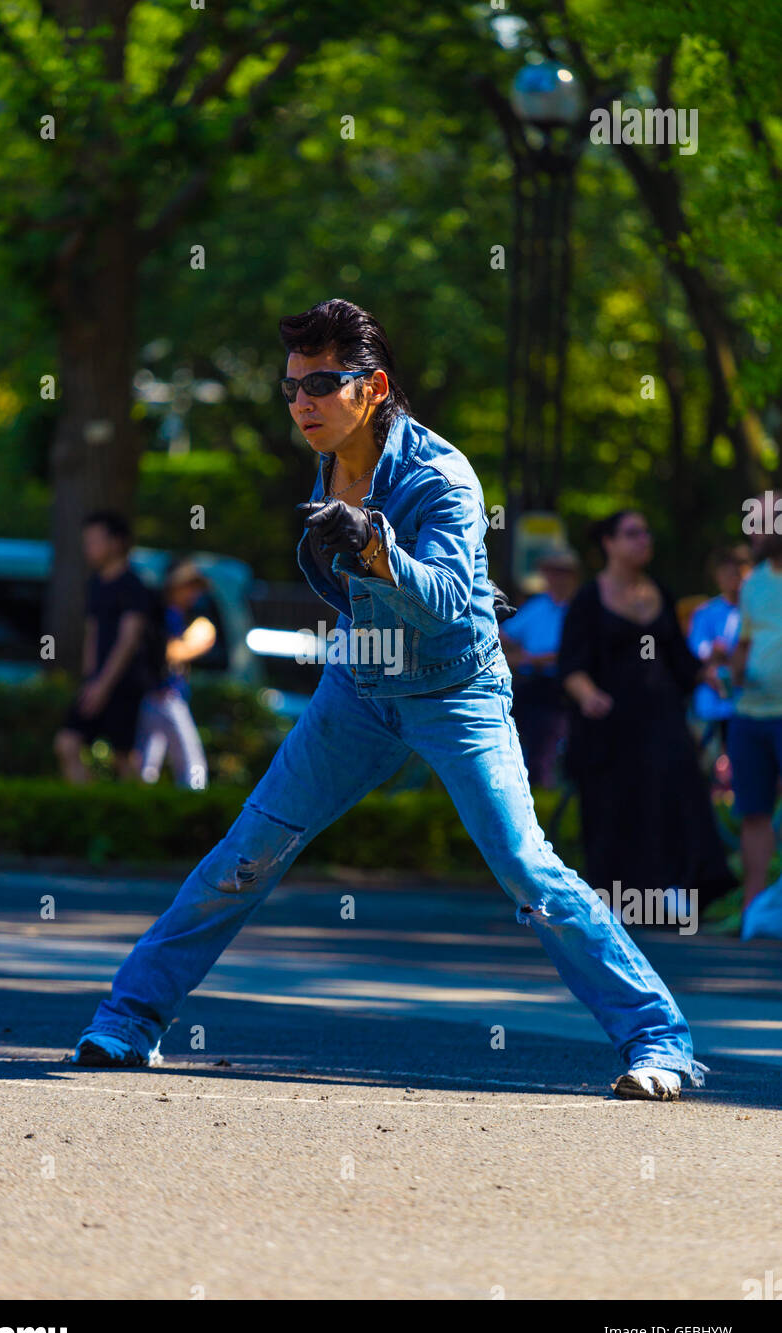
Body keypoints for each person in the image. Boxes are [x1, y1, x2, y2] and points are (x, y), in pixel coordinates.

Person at [70, 299, 708, 1102]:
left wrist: (375, 547)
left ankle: (660, 1040)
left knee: (527, 869)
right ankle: (129, 1020)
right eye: (291, 386)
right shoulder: (330, 455)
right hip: (359, 688)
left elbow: (443, 598)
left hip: (456, 692)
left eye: (321, 385)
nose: (302, 402)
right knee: (245, 855)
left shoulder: (443, 476)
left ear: (371, 388)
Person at [558, 510, 737, 923]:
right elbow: (571, 664)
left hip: (661, 719)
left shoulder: (659, 592)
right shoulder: (589, 598)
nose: (644, 540)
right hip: (609, 725)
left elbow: (677, 657)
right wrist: (588, 696)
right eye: (633, 534)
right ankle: (621, 901)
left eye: (647, 532)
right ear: (610, 543)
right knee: (615, 808)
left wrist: (707, 675)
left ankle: (673, 894)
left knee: (676, 798)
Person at [54, 511, 157, 783]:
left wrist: (104, 685)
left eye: (95, 541)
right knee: (67, 743)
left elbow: (128, 639)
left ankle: (138, 817)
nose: (89, 549)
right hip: (97, 681)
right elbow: (93, 633)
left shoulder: (133, 585)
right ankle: (88, 811)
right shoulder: (96, 584)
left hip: (124, 685)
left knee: (124, 758)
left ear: (116, 543)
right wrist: (90, 679)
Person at [728, 509, 782, 914]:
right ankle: (755, 911)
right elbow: (746, 642)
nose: (757, 529)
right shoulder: (754, 583)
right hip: (749, 715)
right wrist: (735, 667)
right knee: (754, 813)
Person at [499, 545, 580, 787]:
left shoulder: (579, 607)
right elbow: (506, 635)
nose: (555, 577)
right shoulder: (538, 605)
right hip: (528, 685)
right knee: (509, 743)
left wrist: (526, 659)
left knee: (544, 752)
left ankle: (545, 799)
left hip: (560, 689)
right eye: (551, 571)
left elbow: (569, 654)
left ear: (573, 575)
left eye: (561, 571)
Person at [135, 560, 214, 789]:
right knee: (192, 768)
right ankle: (195, 813)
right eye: (189, 587)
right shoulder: (162, 614)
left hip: (164, 696)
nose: (194, 594)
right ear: (175, 586)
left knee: (146, 767)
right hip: (163, 696)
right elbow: (169, 653)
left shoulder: (179, 614)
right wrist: (199, 643)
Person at [687, 545, 751, 742]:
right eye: (726, 573)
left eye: (737, 572)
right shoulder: (705, 612)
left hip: (751, 704)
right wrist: (713, 653)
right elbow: (697, 650)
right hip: (714, 707)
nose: (733, 578)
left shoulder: (756, 610)